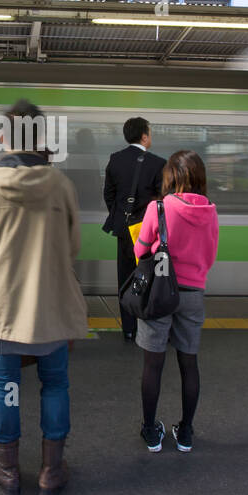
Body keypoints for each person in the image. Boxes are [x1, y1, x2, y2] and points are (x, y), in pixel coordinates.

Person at [0, 99, 88, 495]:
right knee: (56, 384)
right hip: (52, 304)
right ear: (40, 138)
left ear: (3, 137)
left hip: (4, 307)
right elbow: (72, 246)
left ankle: (8, 470)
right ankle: (52, 472)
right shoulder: (61, 185)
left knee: (5, 385)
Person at [133, 150, 219, 452]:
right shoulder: (210, 210)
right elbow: (210, 256)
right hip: (193, 293)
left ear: (172, 176)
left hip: (159, 291)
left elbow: (140, 250)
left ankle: (150, 432)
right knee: (188, 363)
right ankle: (185, 433)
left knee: (153, 364)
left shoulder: (159, 207)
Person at [103, 117, 165, 345]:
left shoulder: (115, 160)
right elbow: (162, 200)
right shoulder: (158, 163)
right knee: (148, 277)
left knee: (126, 277)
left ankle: (128, 329)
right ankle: (146, 326)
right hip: (147, 233)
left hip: (123, 230)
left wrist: (121, 217)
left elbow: (108, 194)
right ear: (144, 136)